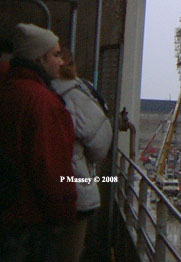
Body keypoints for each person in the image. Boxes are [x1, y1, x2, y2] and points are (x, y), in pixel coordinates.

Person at [0, 23, 77, 261]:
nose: (61, 62)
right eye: (55, 55)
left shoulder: (9, 90)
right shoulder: (43, 103)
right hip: (30, 224)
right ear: (39, 58)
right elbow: (51, 170)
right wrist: (63, 216)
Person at [51, 49, 112, 262]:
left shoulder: (36, 89)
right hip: (76, 190)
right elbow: (100, 142)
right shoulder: (79, 93)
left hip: (38, 192)